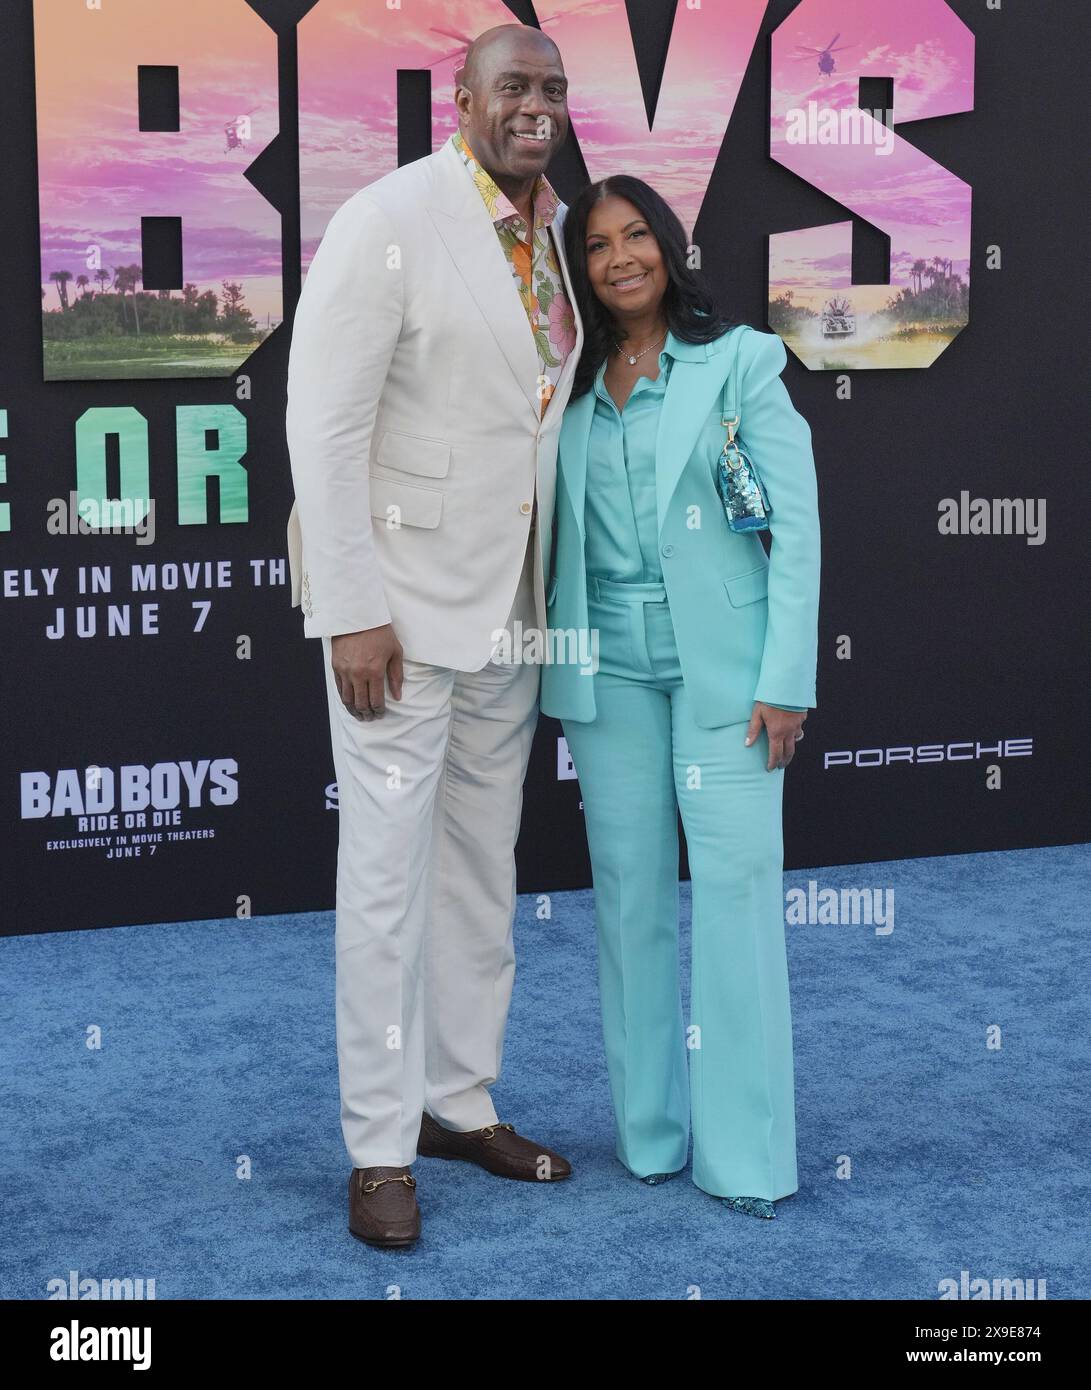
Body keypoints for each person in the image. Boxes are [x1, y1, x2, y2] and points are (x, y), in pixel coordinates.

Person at [284, 23, 583, 1249]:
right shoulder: (386, 216)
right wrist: (352, 606)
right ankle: (374, 1147)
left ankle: (458, 1101)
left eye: (552, 88)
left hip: (512, 610)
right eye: (513, 85)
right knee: (386, 882)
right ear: (460, 97)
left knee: (480, 873)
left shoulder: (557, 230)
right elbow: (322, 422)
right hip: (396, 618)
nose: (536, 105)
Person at [540, 176, 820, 1218]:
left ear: (667, 243)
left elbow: (790, 528)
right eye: (598, 245)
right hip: (605, 678)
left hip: (728, 681)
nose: (619, 257)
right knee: (627, 903)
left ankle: (744, 1156)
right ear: (581, 266)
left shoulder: (740, 363)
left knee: (739, 901)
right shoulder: (567, 384)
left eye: (635, 235)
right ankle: (648, 1137)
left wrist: (782, 678)